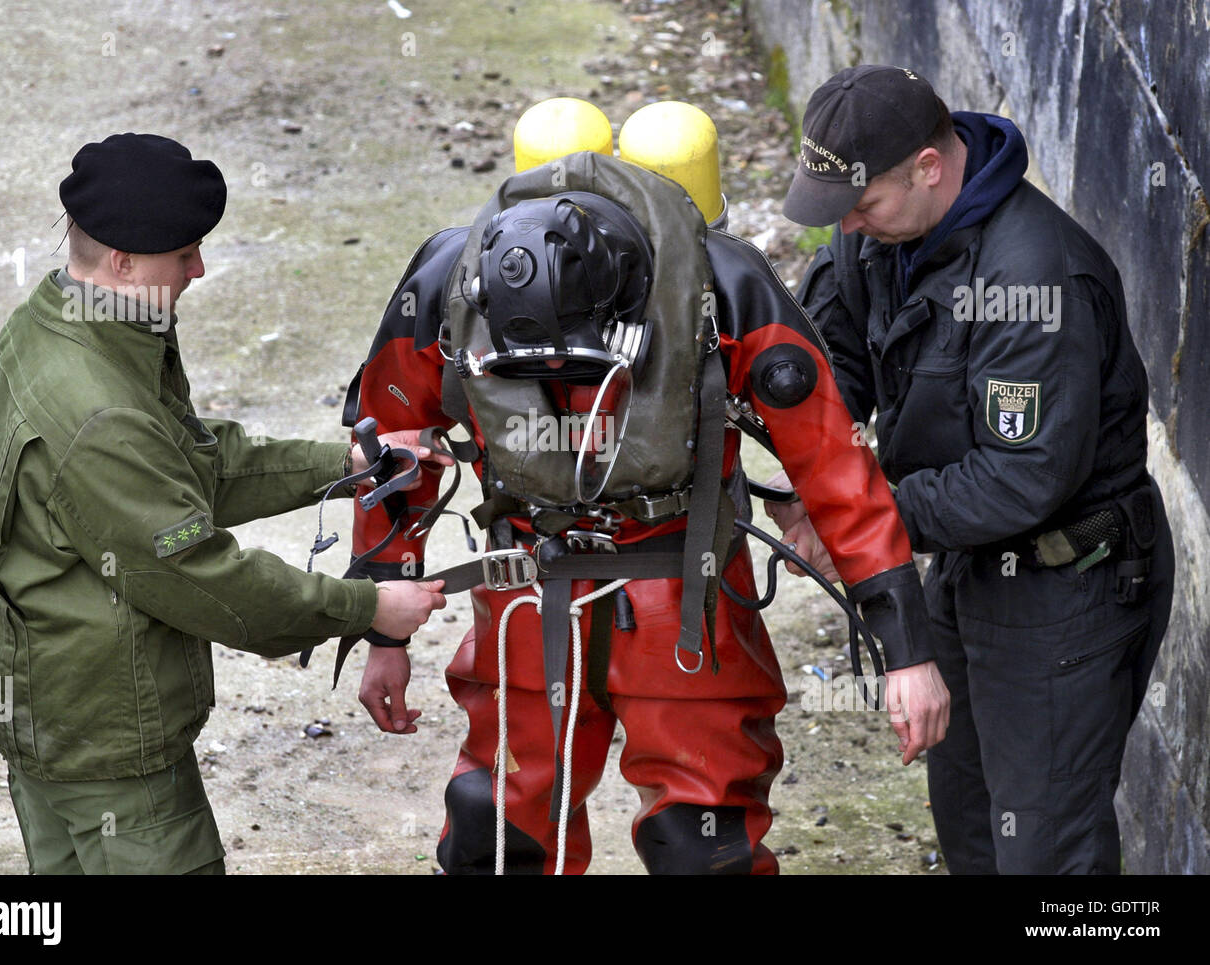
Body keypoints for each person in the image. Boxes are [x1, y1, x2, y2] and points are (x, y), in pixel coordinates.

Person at [344, 104, 949, 875]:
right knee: (495, 831)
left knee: (701, 840)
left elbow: (834, 470)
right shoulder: (453, 283)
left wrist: (906, 652)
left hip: (678, 590)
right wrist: (381, 630)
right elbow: (392, 447)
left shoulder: (718, 285)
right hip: (532, 586)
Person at [0, 132, 447, 875]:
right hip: (107, 744)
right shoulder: (98, 410)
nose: (200, 269)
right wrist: (363, 606)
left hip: (48, 714)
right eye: (184, 254)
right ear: (123, 260)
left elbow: (177, 461)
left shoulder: (57, 321)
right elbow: (201, 576)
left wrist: (344, 463)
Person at [775, 65, 1176, 874]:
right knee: (970, 827)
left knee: (1045, 853)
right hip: (967, 567)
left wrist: (862, 513)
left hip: (1065, 588)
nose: (847, 228)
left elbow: (1020, 476)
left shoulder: (1034, 278)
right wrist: (815, 462)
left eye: (861, 206)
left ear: (929, 167)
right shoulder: (884, 231)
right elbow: (835, 351)